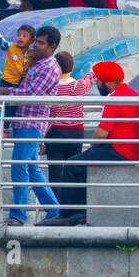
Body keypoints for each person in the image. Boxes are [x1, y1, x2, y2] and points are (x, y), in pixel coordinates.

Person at [42, 61, 139, 225]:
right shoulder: (131, 94)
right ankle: (80, 211)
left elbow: (101, 133)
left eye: (98, 81)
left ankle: (69, 214)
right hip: (131, 150)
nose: (97, 85)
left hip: (117, 150)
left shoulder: (114, 98)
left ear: (105, 82)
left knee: (71, 165)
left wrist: (91, 146)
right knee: (81, 164)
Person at [5, 25, 62, 224]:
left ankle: (18, 215)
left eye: (40, 42)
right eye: (35, 41)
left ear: (52, 46)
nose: (35, 45)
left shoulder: (49, 67)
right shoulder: (37, 63)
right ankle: (54, 210)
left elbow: (32, 94)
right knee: (31, 168)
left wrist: (7, 93)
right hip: (25, 120)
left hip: (33, 121)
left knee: (19, 166)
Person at [45, 51, 96, 192]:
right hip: (76, 132)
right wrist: (92, 72)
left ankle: (56, 205)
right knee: (72, 168)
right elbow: (88, 80)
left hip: (55, 132)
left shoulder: (51, 87)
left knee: (55, 171)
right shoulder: (78, 86)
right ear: (72, 67)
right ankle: (71, 205)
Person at [0, 22, 35, 87]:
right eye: (18, 35)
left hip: (23, 81)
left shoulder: (32, 52)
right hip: (8, 81)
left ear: (31, 41)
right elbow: (2, 42)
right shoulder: (11, 46)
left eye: (24, 36)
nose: (20, 37)